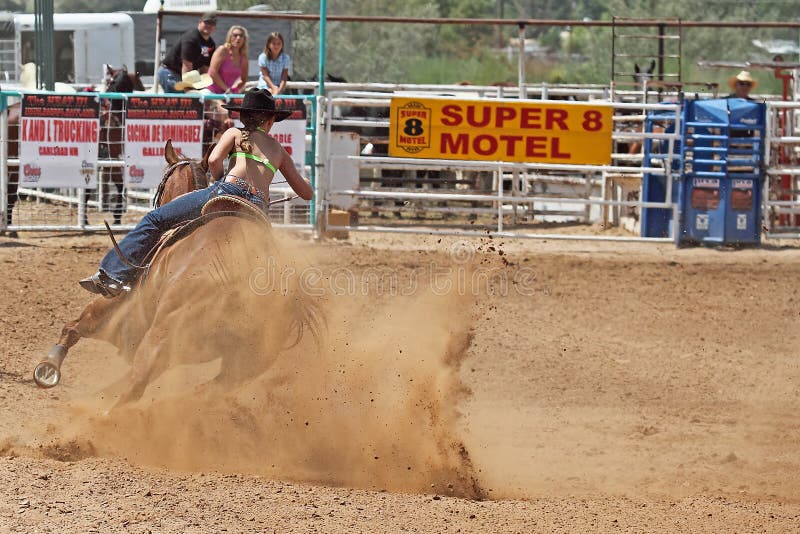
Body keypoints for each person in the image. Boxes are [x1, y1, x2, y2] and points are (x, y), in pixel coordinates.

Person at [79, 88, 314, 298]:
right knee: (274, 257)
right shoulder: (279, 151)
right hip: (257, 206)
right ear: (271, 120)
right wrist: (303, 181)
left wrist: (221, 178)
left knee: (156, 219)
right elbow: (306, 194)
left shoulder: (234, 134)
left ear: (243, 116)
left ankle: (112, 274)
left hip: (228, 192)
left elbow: (213, 160)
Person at [157, 11, 217, 93]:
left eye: (212, 24)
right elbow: (186, 66)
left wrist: (204, 87)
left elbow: (204, 69)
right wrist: (189, 90)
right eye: (206, 22)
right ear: (199, 22)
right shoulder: (191, 39)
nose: (209, 26)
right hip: (170, 72)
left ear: (215, 27)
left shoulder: (211, 44)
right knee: (181, 101)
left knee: (202, 96)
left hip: (188, 76)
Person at [207, 25, 249, 95]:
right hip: (211, 91)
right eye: (235, 35)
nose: (238, 38)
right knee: (220, 105)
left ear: (244, 39)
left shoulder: (244, 58)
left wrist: (235, 90)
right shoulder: (223, 50)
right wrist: (227, 89)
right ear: (230, 37)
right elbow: (212, 72)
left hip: (227, 93)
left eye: (241, 36)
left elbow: (243, 80)